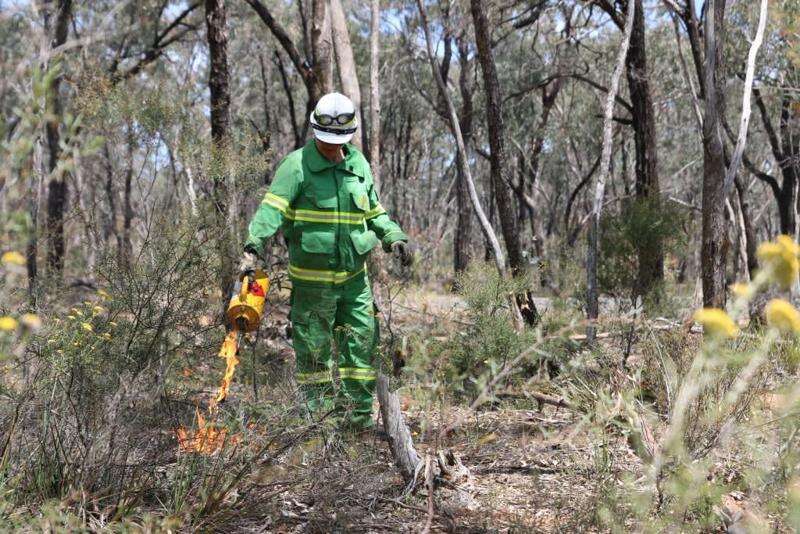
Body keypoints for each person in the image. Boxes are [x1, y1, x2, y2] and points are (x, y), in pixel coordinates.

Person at [239, 92, 411, 431]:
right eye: (326, 140)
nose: (332, 147)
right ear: (315, 131)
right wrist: (253, 245)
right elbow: (270, 210)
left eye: (338, 141)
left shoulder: (358, 164)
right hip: (312, 283)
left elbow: (375, 210)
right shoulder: (296, 166)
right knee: (315, 354)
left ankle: (357, 423)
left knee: (360, 349)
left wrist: (393, 236)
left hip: (354, 280)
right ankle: (320, 424)